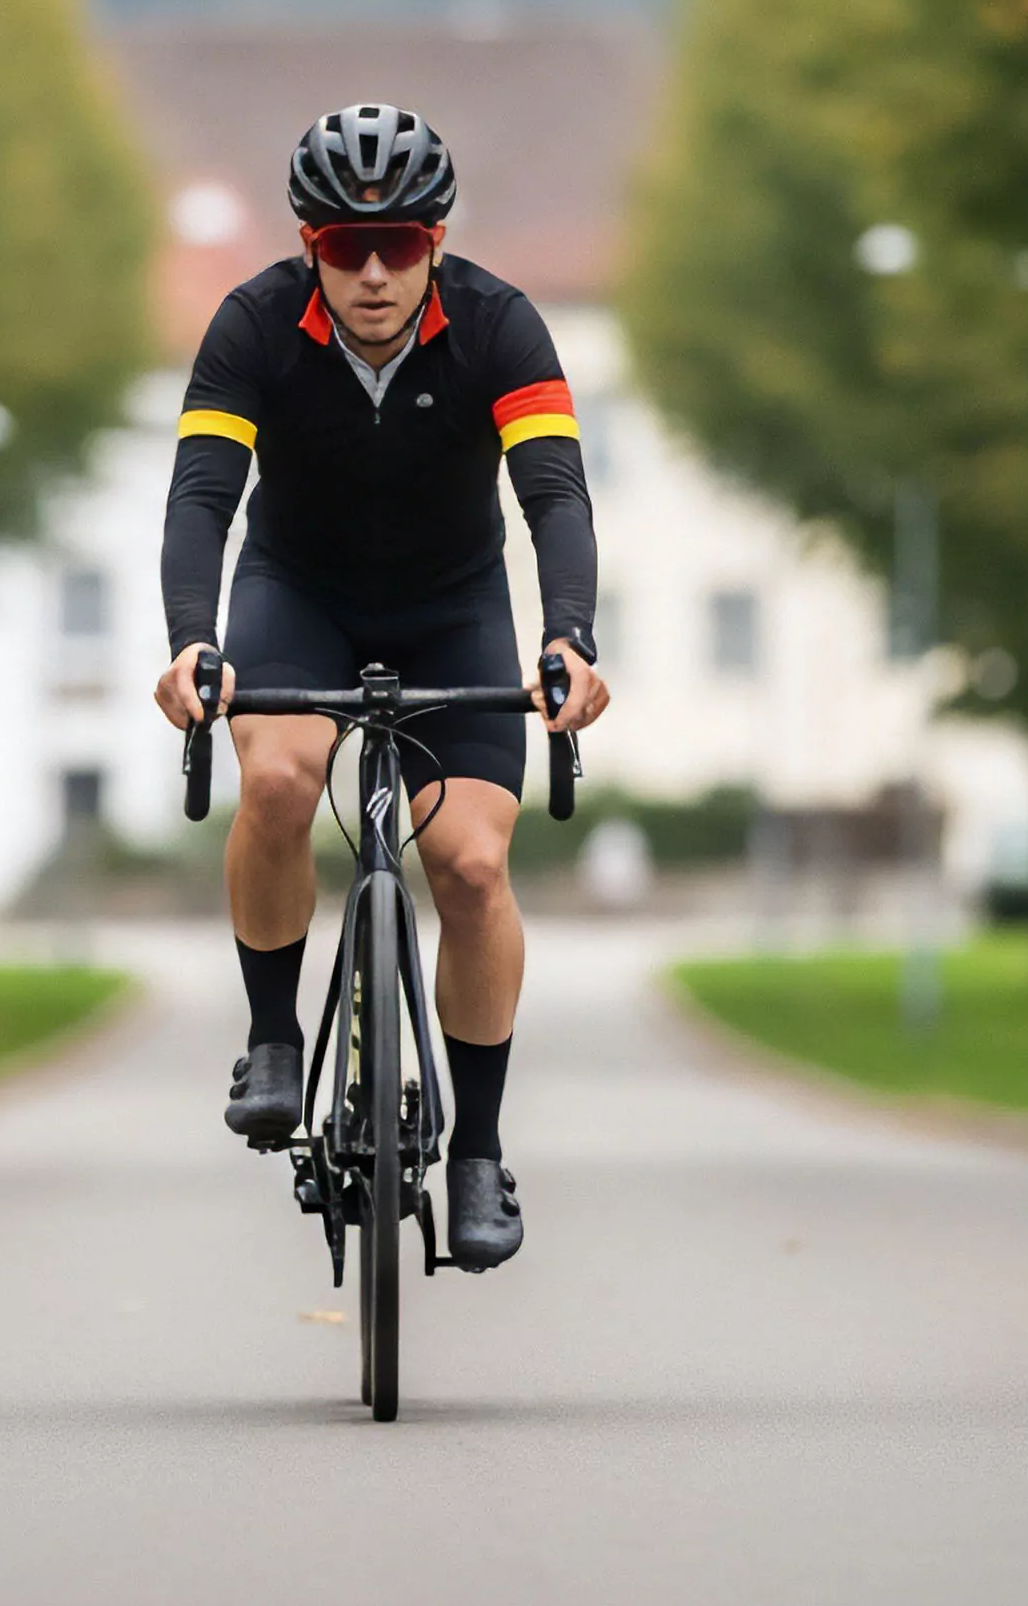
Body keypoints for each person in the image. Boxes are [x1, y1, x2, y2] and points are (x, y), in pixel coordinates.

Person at [152, 102, 609, 1272]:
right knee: (282, 778)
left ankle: (475, 1152)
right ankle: (268, 1038)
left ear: (436, 241)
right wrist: (193, 643)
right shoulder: (251, 326)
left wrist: (567, 639)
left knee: (467, 863)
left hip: (450, 607)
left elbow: (553, 496)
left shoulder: (503, 328)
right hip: (296, 594)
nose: (370, 273)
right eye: (343, 248)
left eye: (397, 246)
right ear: (306, 244)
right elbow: (202, 496)